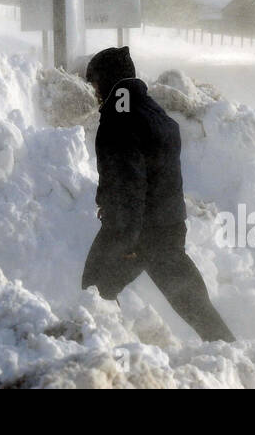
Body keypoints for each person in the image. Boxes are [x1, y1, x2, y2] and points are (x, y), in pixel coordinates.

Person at [80, 47, 236, 342]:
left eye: (96, 83)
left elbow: (129, 183)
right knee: (190, 300)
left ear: (109, 81)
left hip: (138, 229)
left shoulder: (119, 118)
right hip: (168, 226)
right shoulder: (151, 110)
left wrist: (127, 238)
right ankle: (226, 346)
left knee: (94, 288)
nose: (95, 92)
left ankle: (99, 350)